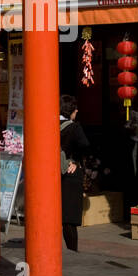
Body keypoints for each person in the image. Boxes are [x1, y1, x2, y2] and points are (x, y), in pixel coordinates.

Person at [60, 94, 89, 251]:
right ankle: (72, 250)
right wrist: (75, 161)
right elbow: (85, 145)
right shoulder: (74, 128)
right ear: (72, 111)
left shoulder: (48, 124)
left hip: (49, 172)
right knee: (69, 218)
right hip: (70, 173)